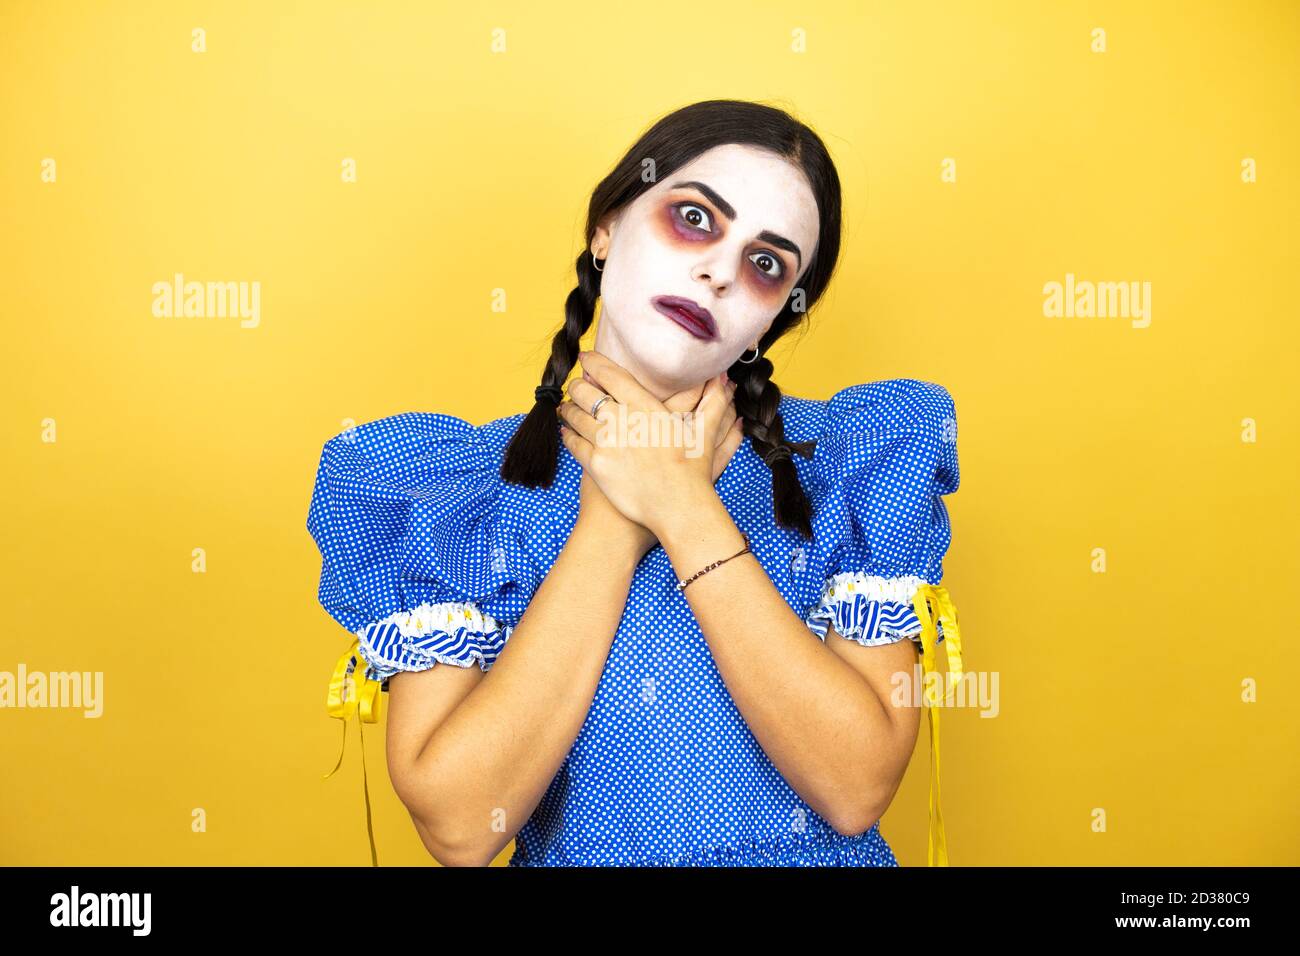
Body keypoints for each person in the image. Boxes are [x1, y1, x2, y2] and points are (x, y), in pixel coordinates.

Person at [308, 99, 964, 867]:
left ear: (775, 316)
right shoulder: (460, 493)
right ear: (606, 226)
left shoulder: (843, 466)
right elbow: (459, 827)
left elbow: (855, 789)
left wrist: (683, 507)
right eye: (695, 218)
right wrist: (612, 524)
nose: (719, 272)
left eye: (765, 264)